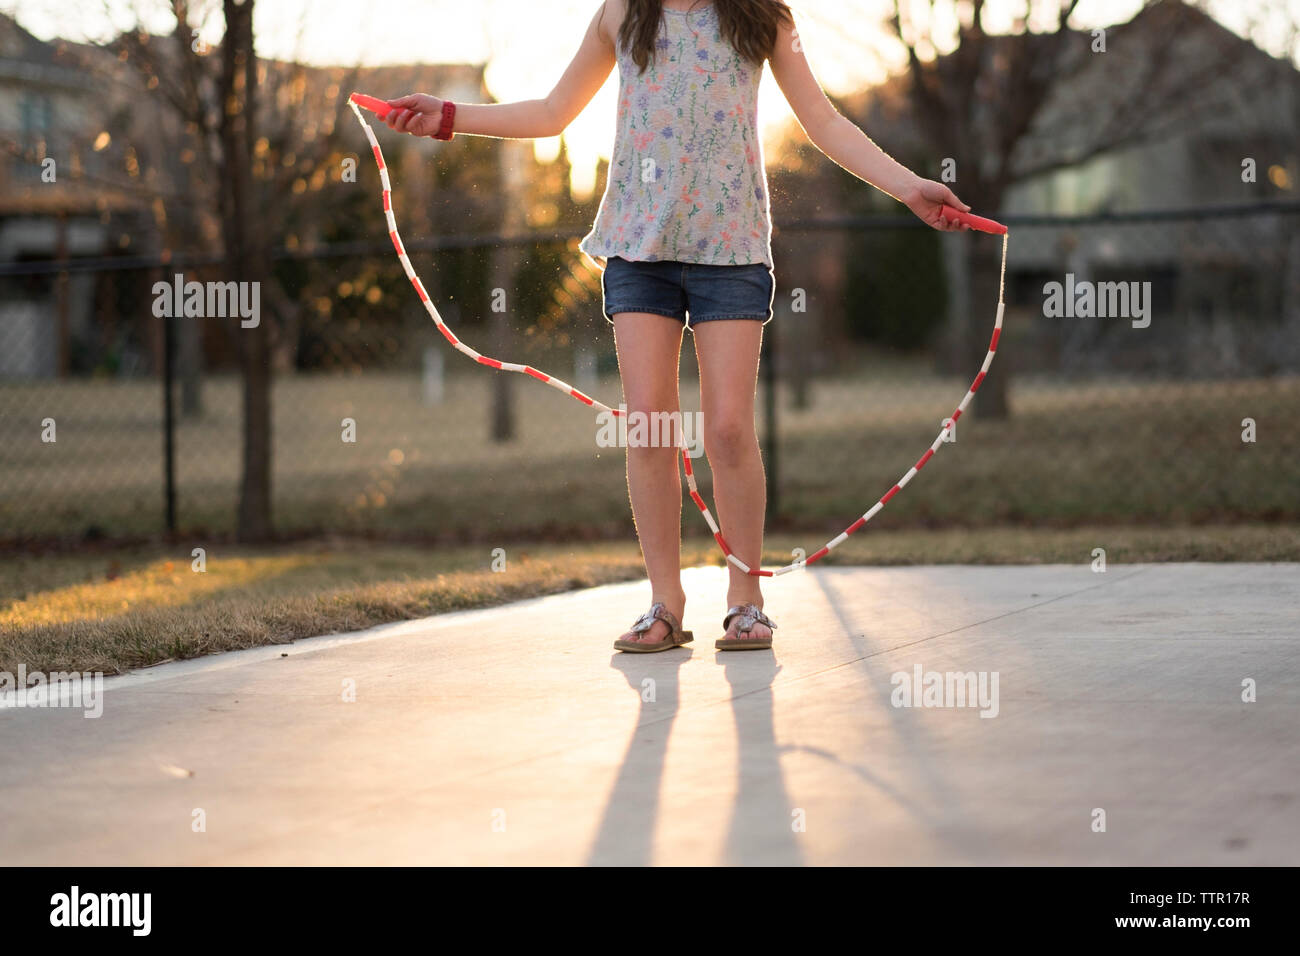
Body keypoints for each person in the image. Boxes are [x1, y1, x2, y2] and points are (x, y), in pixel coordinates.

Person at [381, 0, 969, 653]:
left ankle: (746, 604)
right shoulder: (622, 14)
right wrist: (449, 117)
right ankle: (664, 603)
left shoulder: (763, 16)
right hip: (640, 250)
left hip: (732, 250)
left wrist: (911, 185)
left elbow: (823, 121)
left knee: (726, 430)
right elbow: (553, 113)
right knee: (650, 427)